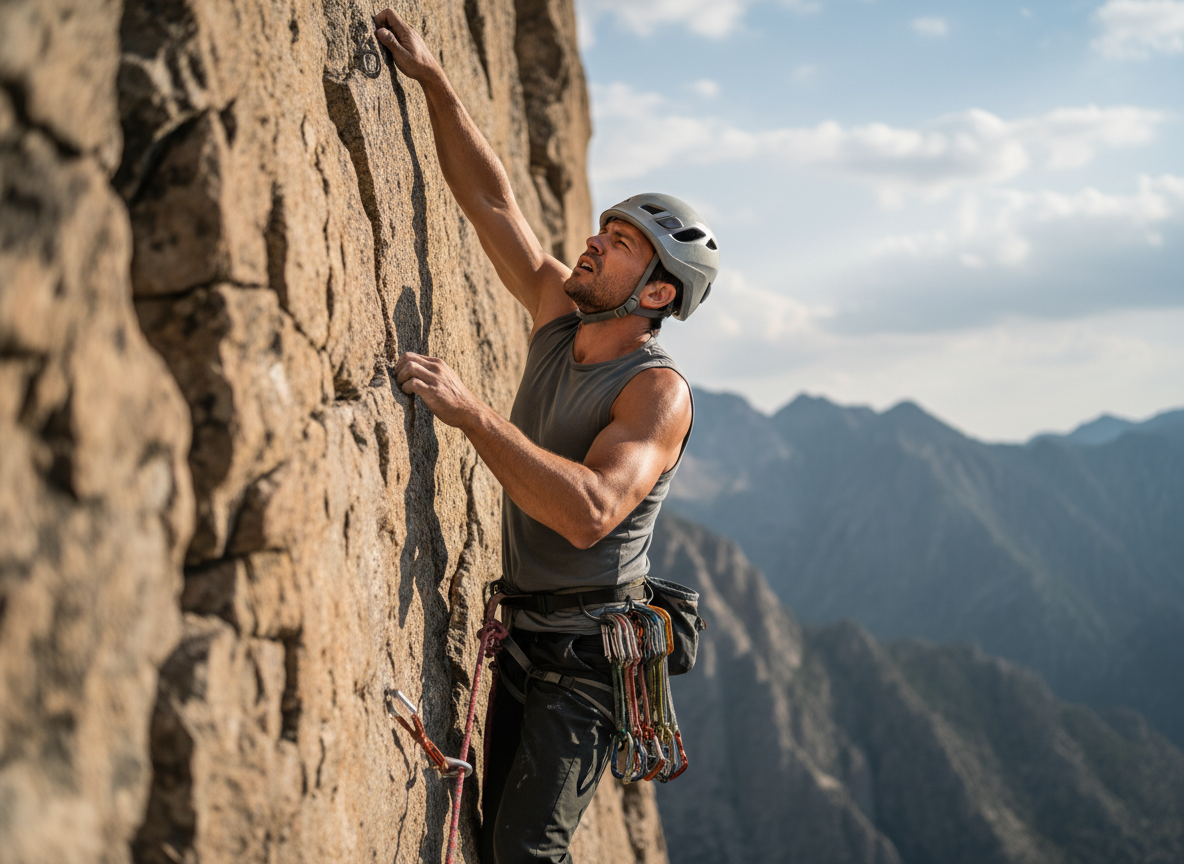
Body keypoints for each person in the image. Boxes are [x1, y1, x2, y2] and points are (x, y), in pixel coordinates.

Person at [374, 9, 719, 863]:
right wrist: (436, 82)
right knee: (495, 844)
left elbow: (591, 512)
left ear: (657, 294)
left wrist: (472, 413)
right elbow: (492, 202)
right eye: (606, 228)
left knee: (526, 855)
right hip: (531, 636)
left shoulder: (656, 393)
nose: (595, 242)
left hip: (590, 661)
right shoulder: (561, 316)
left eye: (623, 243)